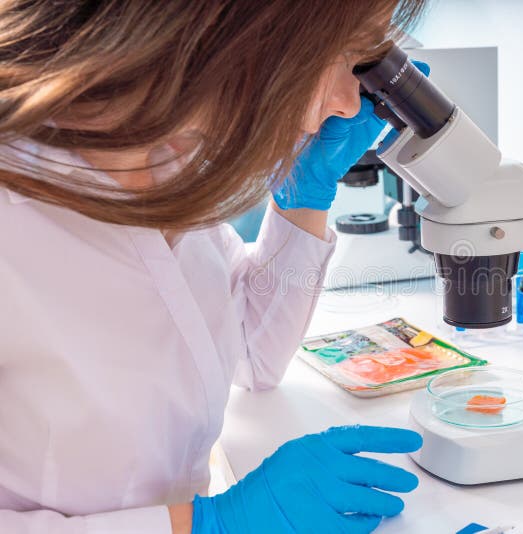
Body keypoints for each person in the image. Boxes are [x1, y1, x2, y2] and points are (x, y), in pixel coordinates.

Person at [0, 1, 430, 532]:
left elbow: (249, 352)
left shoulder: (170, 162)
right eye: (343, 55)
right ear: (230, 27)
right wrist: (212, 524)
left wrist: (306, 194)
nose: (348, 103)